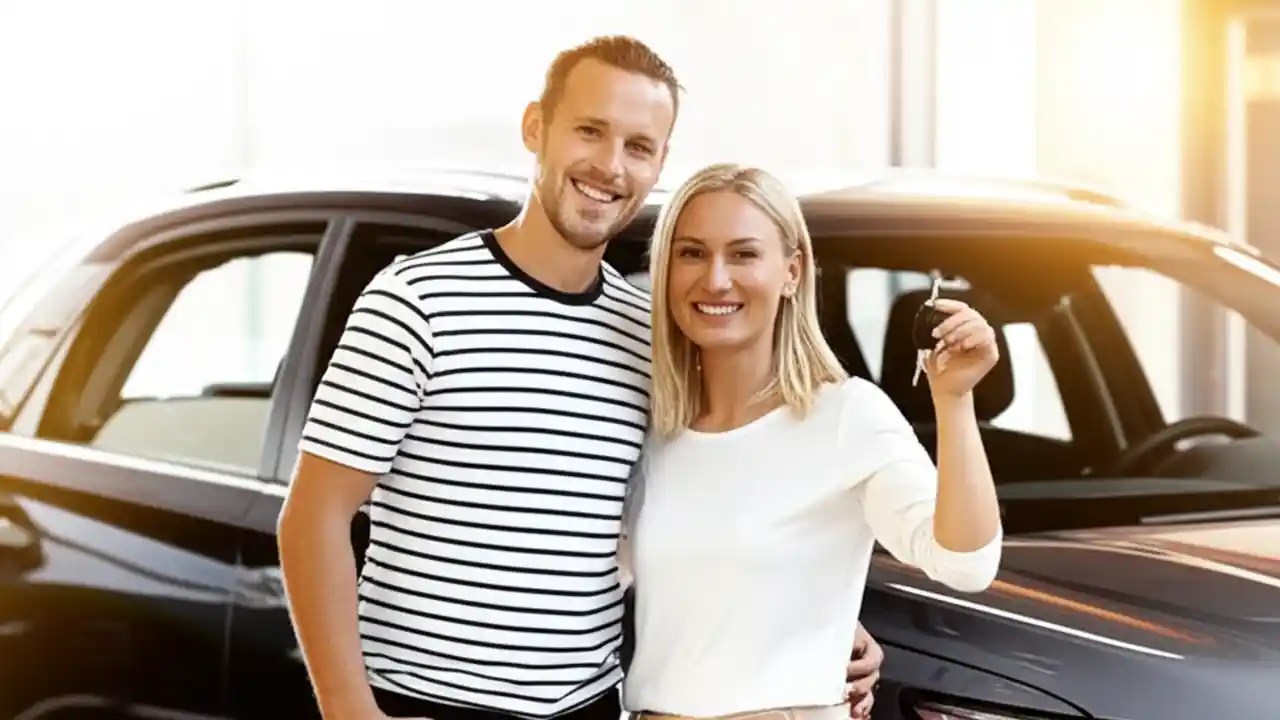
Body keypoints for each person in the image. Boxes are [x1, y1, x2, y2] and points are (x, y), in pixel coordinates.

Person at [277, 36, 883, 720]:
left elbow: (699, 516)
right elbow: (312, 518)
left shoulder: (652, 335)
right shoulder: (416, 300)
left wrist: (810, 619)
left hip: (593, 708)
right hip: (427, 703)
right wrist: (350, 712)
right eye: (590, 131)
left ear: (658, 164)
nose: (610, 166)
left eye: (638, 146)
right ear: (536, 128)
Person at [618, 163, 1004, 720]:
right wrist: (811, 611)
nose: (716, 279)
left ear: (792, 271)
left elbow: (966, 565)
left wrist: (955, 400)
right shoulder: (652, 429)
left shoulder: (846, 415)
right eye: (692, 253)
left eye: (745, 254)